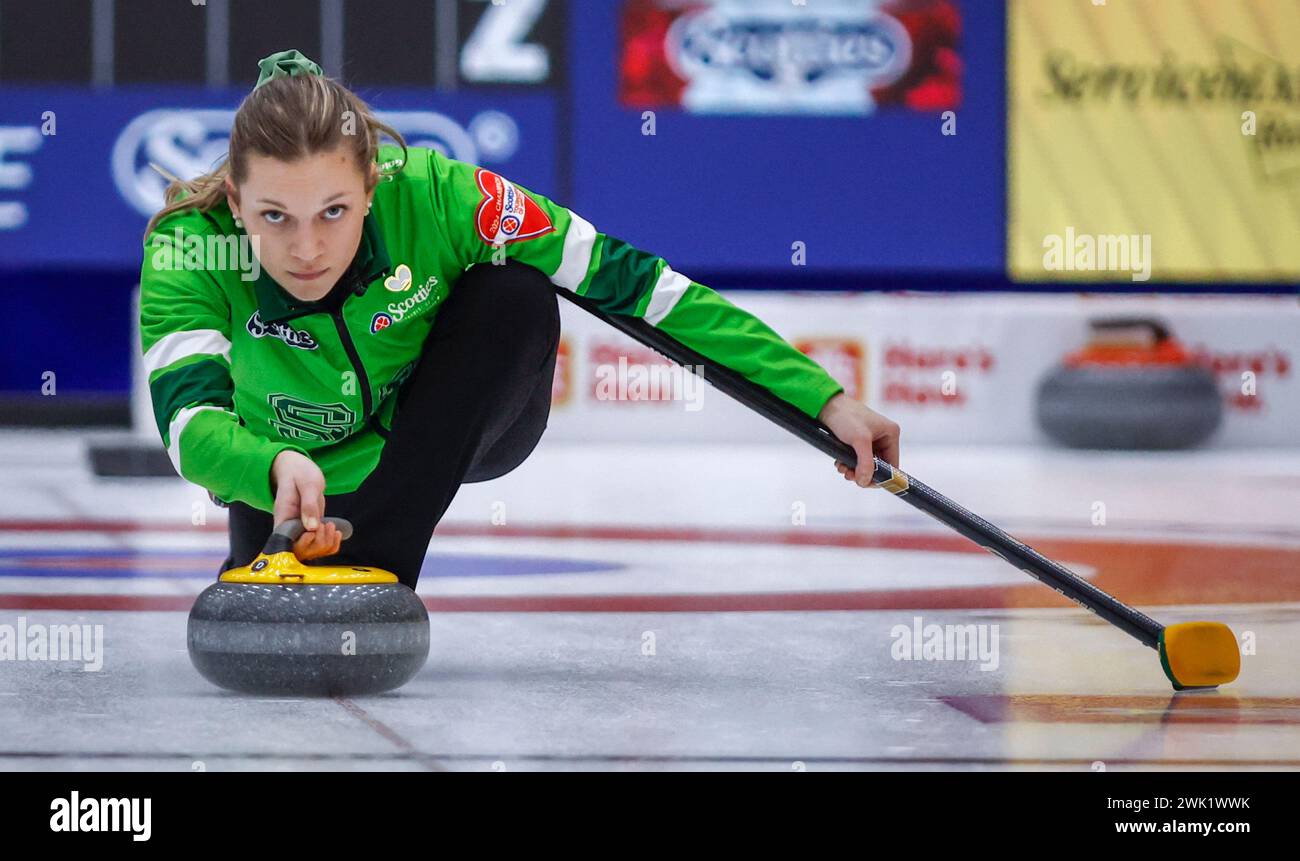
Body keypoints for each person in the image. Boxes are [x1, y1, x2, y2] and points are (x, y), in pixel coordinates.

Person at [139, 50, 901, 589]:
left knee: (517, 292)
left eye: (333, 212)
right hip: (279, 462)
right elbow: (187, 422)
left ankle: (380, 559)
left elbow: (637, 286)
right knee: (245, 485)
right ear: (235, 204)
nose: (307, 249)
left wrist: (820, 397)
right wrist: (263, 467)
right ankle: (289, 525)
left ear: (373, 185)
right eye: (275, 216)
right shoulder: (190, 246)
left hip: (443, 440)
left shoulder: (445, 198)